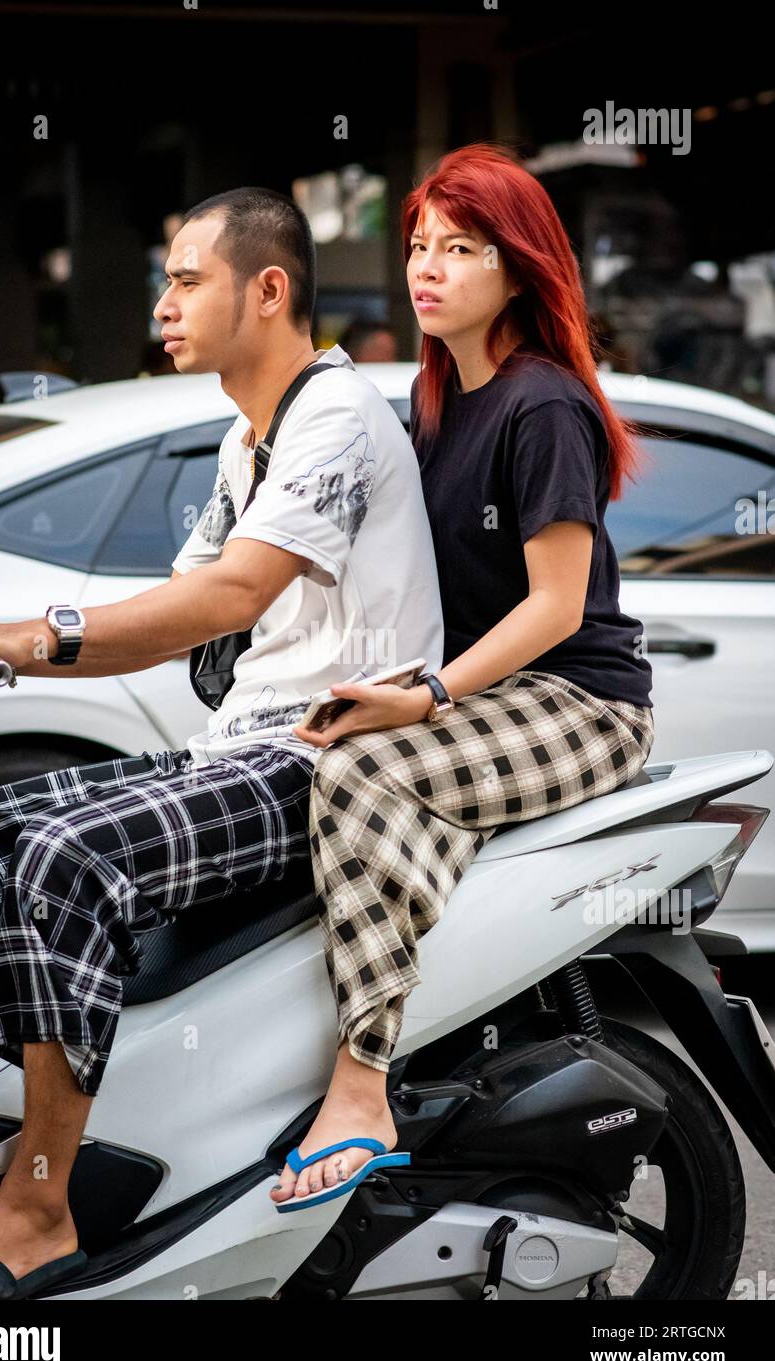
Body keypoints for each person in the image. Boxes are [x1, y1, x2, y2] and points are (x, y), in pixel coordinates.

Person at [0, 187, 443, 1298]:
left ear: (266, 289)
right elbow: (176, 612)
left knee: (66, 861)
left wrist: (21, 628)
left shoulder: (335, 415)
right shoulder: (249, 434)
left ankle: (41, 1204)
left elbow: (230, 594)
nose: (162, 304)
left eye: (184, 278)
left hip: (319, 763)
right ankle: (27, 1122)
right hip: (236, 747)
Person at [270, 143, 656, 1210]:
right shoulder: (435, 404)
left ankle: (359, 1088)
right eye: (417, 246)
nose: (425, 268)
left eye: (459, 248)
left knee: (359, 777)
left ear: (518, 267)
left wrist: (426, 696)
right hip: (490, 698)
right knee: (301, 760)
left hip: (583, 705)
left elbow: (555, 607)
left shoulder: (542, 405)